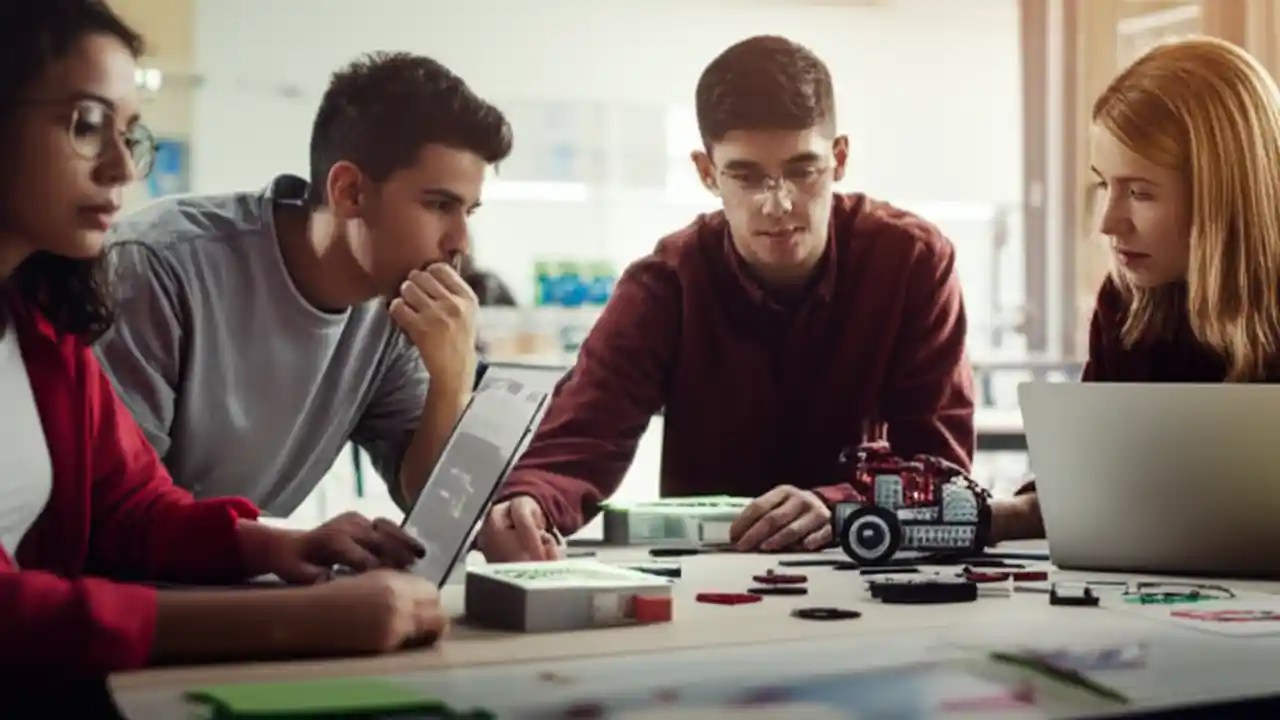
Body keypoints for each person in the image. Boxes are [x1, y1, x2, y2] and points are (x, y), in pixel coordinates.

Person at [0, 0, 447, 677]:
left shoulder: (37, 329)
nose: (124, 168)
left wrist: (271, 546)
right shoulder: (164, 264)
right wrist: (291, 619)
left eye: (132, 134)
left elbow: (130, 507)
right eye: (87, 126)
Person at [477, 35, 981, 562]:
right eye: (746, 175)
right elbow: (582, 440)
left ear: (839, 157)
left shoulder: (912, 261)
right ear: (706, 172)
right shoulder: (666, 283)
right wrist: (528, 502)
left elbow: (941, 468)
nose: (777, 203)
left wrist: (839, 505)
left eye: (802, 170)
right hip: (710, 577)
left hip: (865, 565)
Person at [93, 49, 512, 515]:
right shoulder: (160, 266)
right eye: (438, 206)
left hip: (237, 574)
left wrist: (451, 380)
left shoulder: (397, 303)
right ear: (349, 192)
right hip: (129, 580)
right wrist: (293, 555)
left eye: (468, 212)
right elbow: (118, 513)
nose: (461, 243)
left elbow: (429, 503)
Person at [997, 36, 1280, 540]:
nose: (1108, 222)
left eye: (1140, 193)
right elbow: (1098, 486)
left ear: (1223, 195)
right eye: (1104, 184)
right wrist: (997, 517)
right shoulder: (1126, 302)